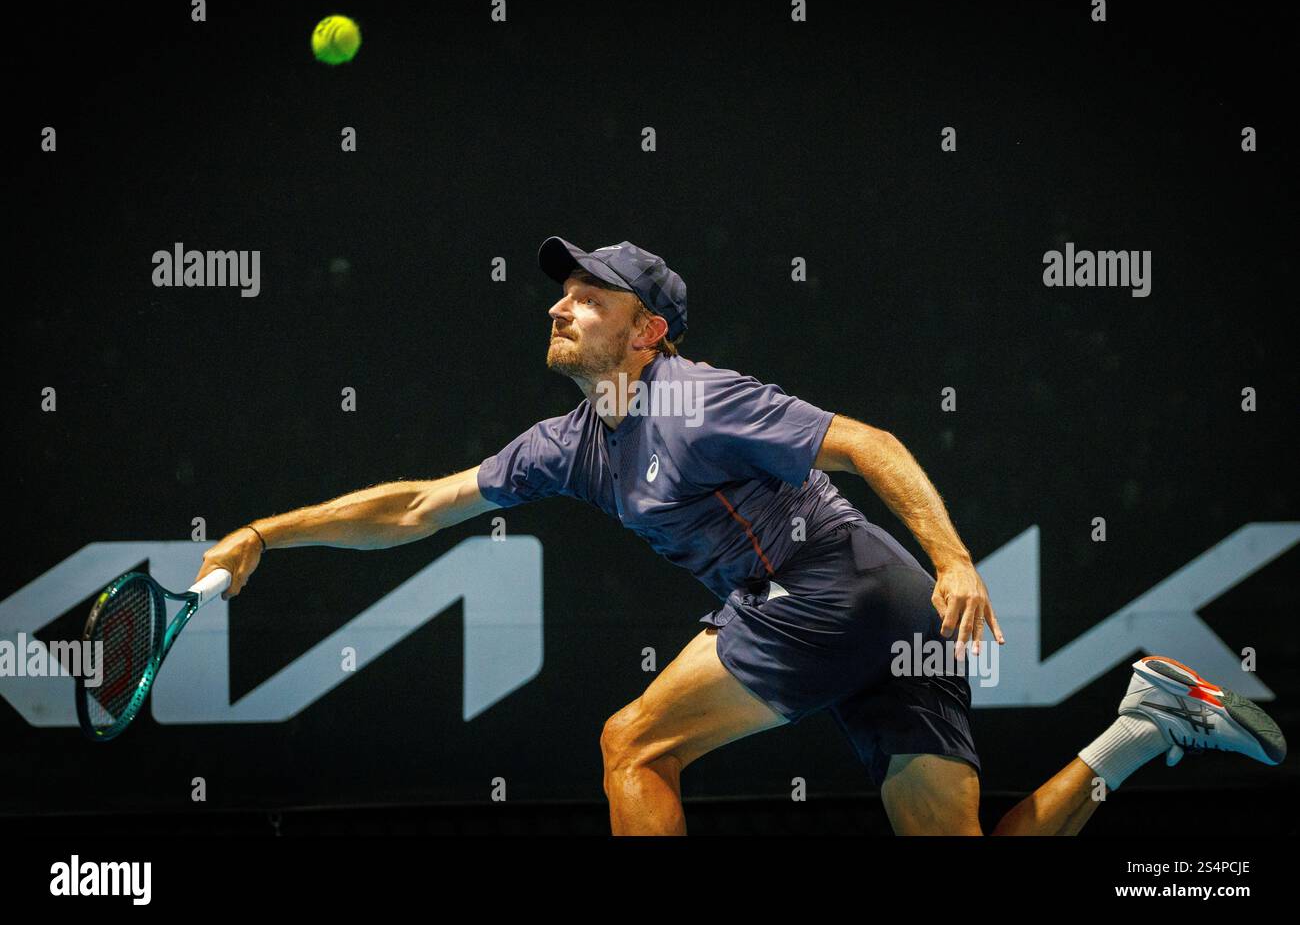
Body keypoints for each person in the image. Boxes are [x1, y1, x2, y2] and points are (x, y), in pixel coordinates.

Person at [195, 237, 1286, 835]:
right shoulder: (563, 443)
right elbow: (414, 506)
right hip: (881, 611)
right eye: (559, 295)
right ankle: (1142, 728)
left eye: (588, 297)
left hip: (832, 586)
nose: (558, 309)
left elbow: (869, 443)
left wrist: (957, 555)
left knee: (633, 741)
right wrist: (262, 532)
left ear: (649, 328)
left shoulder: (697, 397)